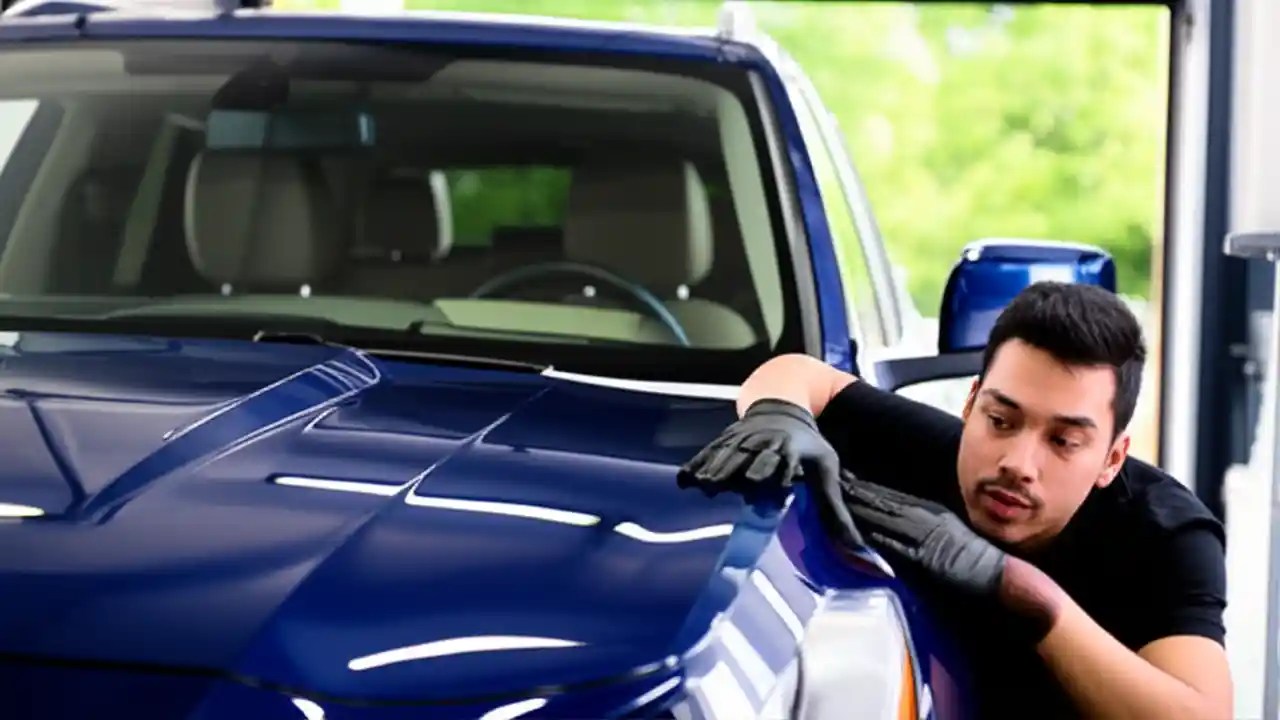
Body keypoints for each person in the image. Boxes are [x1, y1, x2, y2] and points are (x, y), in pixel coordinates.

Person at [678, 282, 1232, 720]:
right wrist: (780, 413)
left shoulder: (1166, 534)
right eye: (1000, 418)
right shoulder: (939, 450)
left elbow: (1202, 714)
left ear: (1112, 458)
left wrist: (1021, 590)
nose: (1017, 461)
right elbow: (798, 374)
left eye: (1063, 441)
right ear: (971, 404)